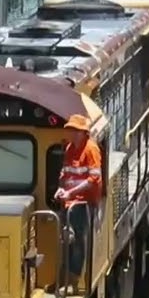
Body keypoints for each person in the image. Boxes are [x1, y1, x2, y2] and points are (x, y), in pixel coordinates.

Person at [53, 114, 103, 286]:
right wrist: (61, 188)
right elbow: (66, 173)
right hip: (69, 202)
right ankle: (63, 279)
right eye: (70, 130)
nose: (71, 133)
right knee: (66, 240)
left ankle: (72, 280)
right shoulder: (69, 148)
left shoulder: (91, 149)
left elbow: (94, 179)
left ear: (83, 132)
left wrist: (71, 193)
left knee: (77, 242)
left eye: (74, 130)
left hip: (83, 203)